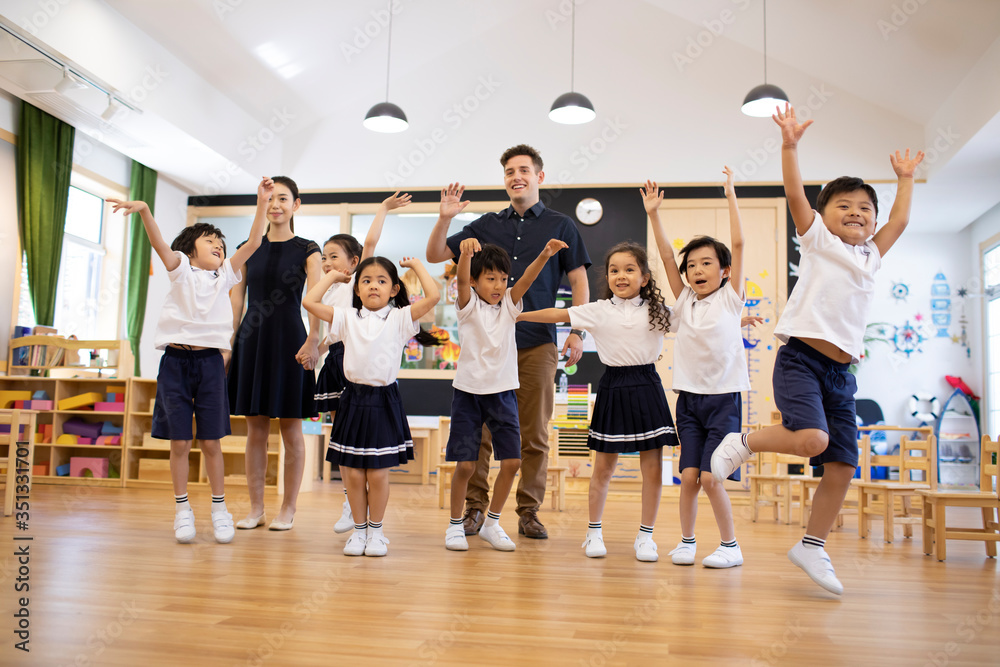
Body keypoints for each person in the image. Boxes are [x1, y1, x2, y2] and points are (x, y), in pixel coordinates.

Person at [711, 103, 925, 594]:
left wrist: (905, 179)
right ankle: (745, 442)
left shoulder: (871, 255)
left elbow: (901, 220)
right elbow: (794, 194)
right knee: (812, 440)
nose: (856, 213)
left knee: (844, 462)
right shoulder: (818, 241)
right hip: (801, 361)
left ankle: (812, 545)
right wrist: (789, 145)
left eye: (864, 208)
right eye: (844, 206)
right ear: (825, 217)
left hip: (842, 374)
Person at [426, 144, 591, 539]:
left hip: (537, 345)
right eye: (509, 172)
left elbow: (580, 281)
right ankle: (475, 509)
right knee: (480, 435)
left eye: (524, 170)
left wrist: (578, 331)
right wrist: (445, 217)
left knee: (533, 432)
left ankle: (528, 511)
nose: (516, 176)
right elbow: (434, 254)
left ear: (539, 177)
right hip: (487, 349)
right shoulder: (485, 225)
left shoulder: (562, 225)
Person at [109, 177, 269, 543]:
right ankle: (182, 509)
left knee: (211, 441)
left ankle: (219, 508)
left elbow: (255, 241)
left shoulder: (226, 274)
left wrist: (261, 203)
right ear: (190, 249)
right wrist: (146, 211)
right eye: (210, 240)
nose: (218, 245)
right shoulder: (181, 268)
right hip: (175, 363)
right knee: (179, 442)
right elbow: (160, 244)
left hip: (211, 364)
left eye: (221, 243)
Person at [519, 241, 676, 561]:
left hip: (648, 385)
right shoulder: (599, 310)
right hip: (614, 387)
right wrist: (519, 316)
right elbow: (559, 313)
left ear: (644, 277)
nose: (621, 275)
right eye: (614, 270)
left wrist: (734, 322)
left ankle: (646, 537)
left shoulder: (658, 311)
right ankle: (593, 533)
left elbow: (698, 324)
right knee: (603, 468)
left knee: (653, 470)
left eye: (630, 269)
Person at [642, 169, 749, 569]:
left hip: (723, 401)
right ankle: (686, 541)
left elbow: (738, 241)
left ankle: (730, 546)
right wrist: (654, 213)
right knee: (687, 478)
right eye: (693, 265)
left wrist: (731, 195)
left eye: (708, 263)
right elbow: (668, 256)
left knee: (711, 478)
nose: (697, 270)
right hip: (688, 400)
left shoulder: (730, 299)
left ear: (724, 270)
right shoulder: (684, 299)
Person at [303, 256, 441, 557]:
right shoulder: (347, 317)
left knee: (377, 473)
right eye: (366, 281)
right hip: (351, 398)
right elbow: (310, 302)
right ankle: (359, 531)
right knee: (351, 472)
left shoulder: (401, 318)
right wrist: (334, 277)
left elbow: (434, 296)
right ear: (357, 290)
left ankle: (376, 532)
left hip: (383, 399)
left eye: (381, 281)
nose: (373, 286)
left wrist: (417, 266)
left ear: (393, 289)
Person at [445, 238, 568, 552]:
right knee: (466, 466)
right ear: (474, 282)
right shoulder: (467, 305)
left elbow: (527, 278)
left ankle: (492, 523)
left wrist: (544, 253)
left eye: (502, 278)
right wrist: (464, 255)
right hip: (469, 394)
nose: (498, 285)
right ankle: (455, 525)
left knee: (512, 461)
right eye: (490, 278)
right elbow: (460, 278)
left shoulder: (510, 306)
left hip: (502, 395)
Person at [314, 192, 412, 535]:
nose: (327, 262)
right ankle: (350, 501)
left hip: (360, 363)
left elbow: (371, 241)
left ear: (354, 262)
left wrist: (383, 209)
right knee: (346, 439)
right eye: (324, 257)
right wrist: (316, 346)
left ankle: (366, 520)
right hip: (337, 357)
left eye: (334, 256)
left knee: (365, 446)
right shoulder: (328, 290)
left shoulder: (359, 283)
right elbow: (327, 328)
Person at [228, 176, 321, 531]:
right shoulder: (249, 247)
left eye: (284, 198)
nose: (276, 204)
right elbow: (237, 301)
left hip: (291, 340)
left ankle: (289, 508)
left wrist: (314, 339)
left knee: (292, 430)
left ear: (296, 205)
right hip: (253, 341)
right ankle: (256, 509)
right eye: (270, 198)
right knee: (255, 431)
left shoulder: (308, 249)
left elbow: (315, 300)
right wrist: (229, 343)